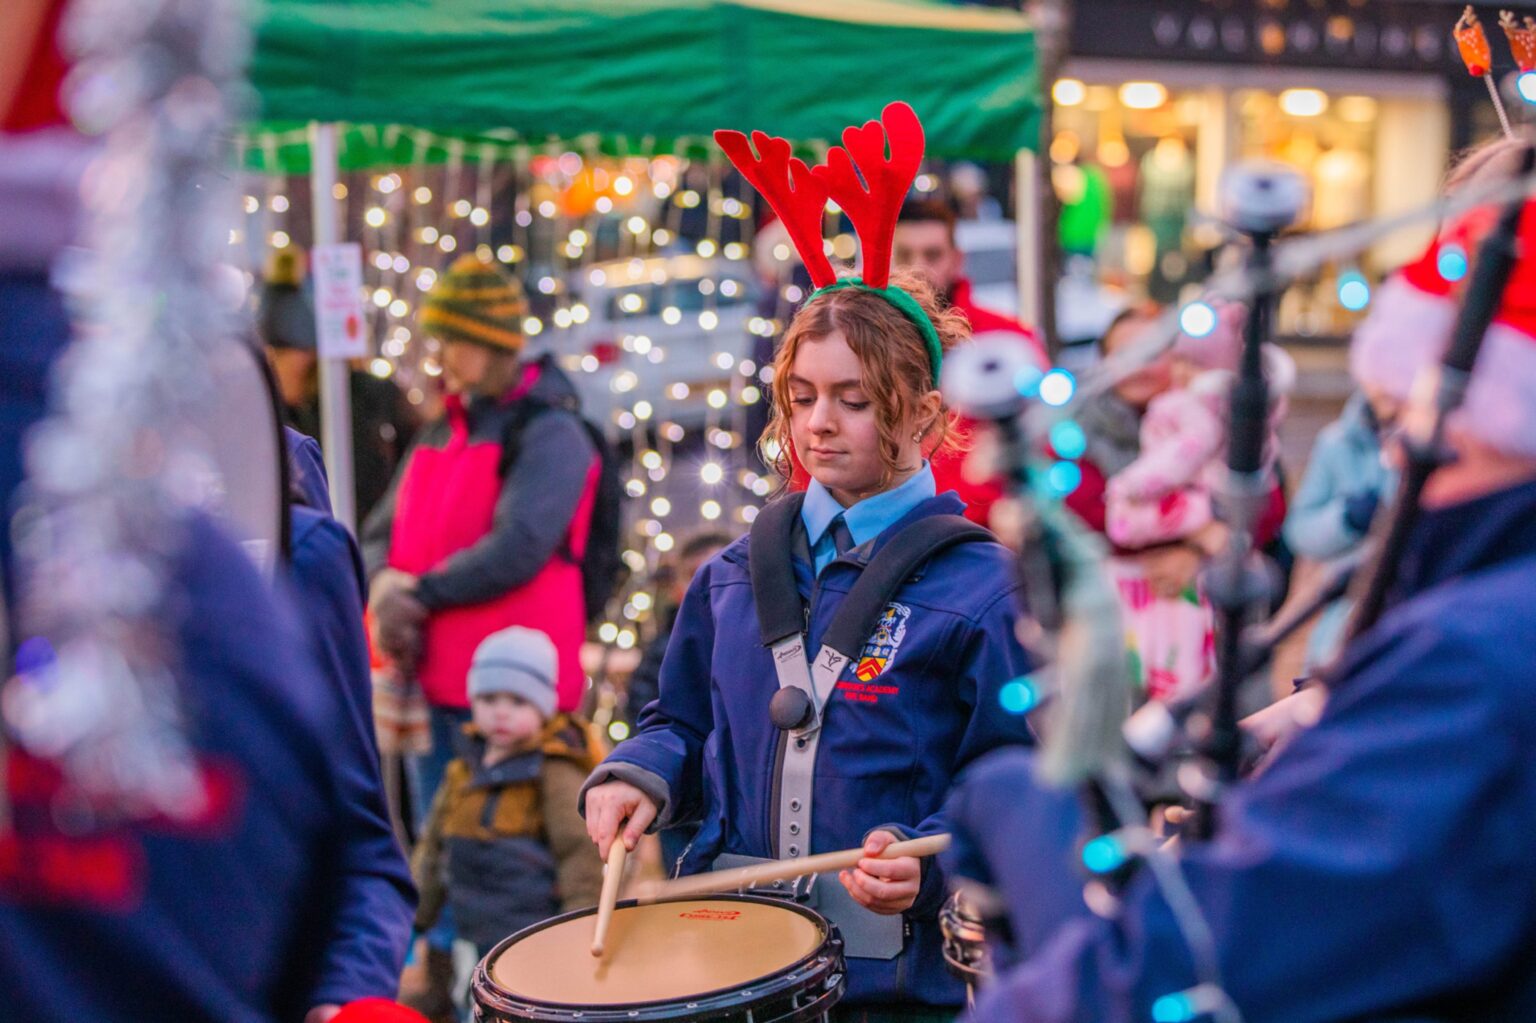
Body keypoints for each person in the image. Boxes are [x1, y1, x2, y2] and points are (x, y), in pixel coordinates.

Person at [943, 181, 1536, 1023]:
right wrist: (1316, 716)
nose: (1399, 450)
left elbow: (1174, 975)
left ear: (1492, 421)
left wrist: (1020, 815)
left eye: (1407, 416)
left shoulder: (1474, 661)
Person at [581, 266, 1037, 1021]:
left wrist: (930, 861)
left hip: (893, 982)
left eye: (853, 401)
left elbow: (1016, 780)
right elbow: (682, 723)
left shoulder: (982, 590)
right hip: (734, 966)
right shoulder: (728, 577)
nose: (819, 421)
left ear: (924, 416)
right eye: (802, 399)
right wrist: (638, 773)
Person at [361, 253, 600, 1011]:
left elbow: (522, 541)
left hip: (517, 691)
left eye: (450, 340)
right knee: (444, 852)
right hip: (434, 680)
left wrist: (420, 589)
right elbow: (380, 527)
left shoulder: (552, 430)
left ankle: (532, 988)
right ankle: (446, 981)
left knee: (523, 860)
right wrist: (381, 581)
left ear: (489, 341)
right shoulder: (442, 425)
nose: (438, 357)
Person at [1102, 301, 1294, 702]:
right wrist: (1202, 531)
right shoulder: (1083, 432)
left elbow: (1268, 507)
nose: (1138, 367)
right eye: (1124, 355)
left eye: (1151, 353)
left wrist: (1195, 547)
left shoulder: (1217, 416)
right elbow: (1089, 517)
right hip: (1122, 617)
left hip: (1209, 606)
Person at [411, 626, 603, 963]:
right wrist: (415, 917)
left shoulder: (554, 770)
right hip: (470, 929)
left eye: (517, 701)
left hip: (534, 933)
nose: (501, 712)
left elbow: (578, 851)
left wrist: (579, 925)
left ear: (543, 706)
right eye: (488, 699)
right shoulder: (464, 768)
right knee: (468, 1000)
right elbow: (434, 848)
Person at [892, 198, 1047, 527]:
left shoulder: (1006, 340)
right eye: (904, 255)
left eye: (932, 254)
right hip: (884, 535)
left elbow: (1043, 442)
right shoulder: (859, 340)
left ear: (956, 260)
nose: (918, 268)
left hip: (984, 535)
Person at [258, 249, 417, 524]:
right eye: (268, 352)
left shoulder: (370, 399)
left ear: (310, 353)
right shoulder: (271, 416)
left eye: (282, 352)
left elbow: (414, 477)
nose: (273, 363)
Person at [1282, 386, 1400, 670]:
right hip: (1341, 612)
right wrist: (1346, 519)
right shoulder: (1337, 442)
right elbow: (1300, 531)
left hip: (1404, 608)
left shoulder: (1447, 440)